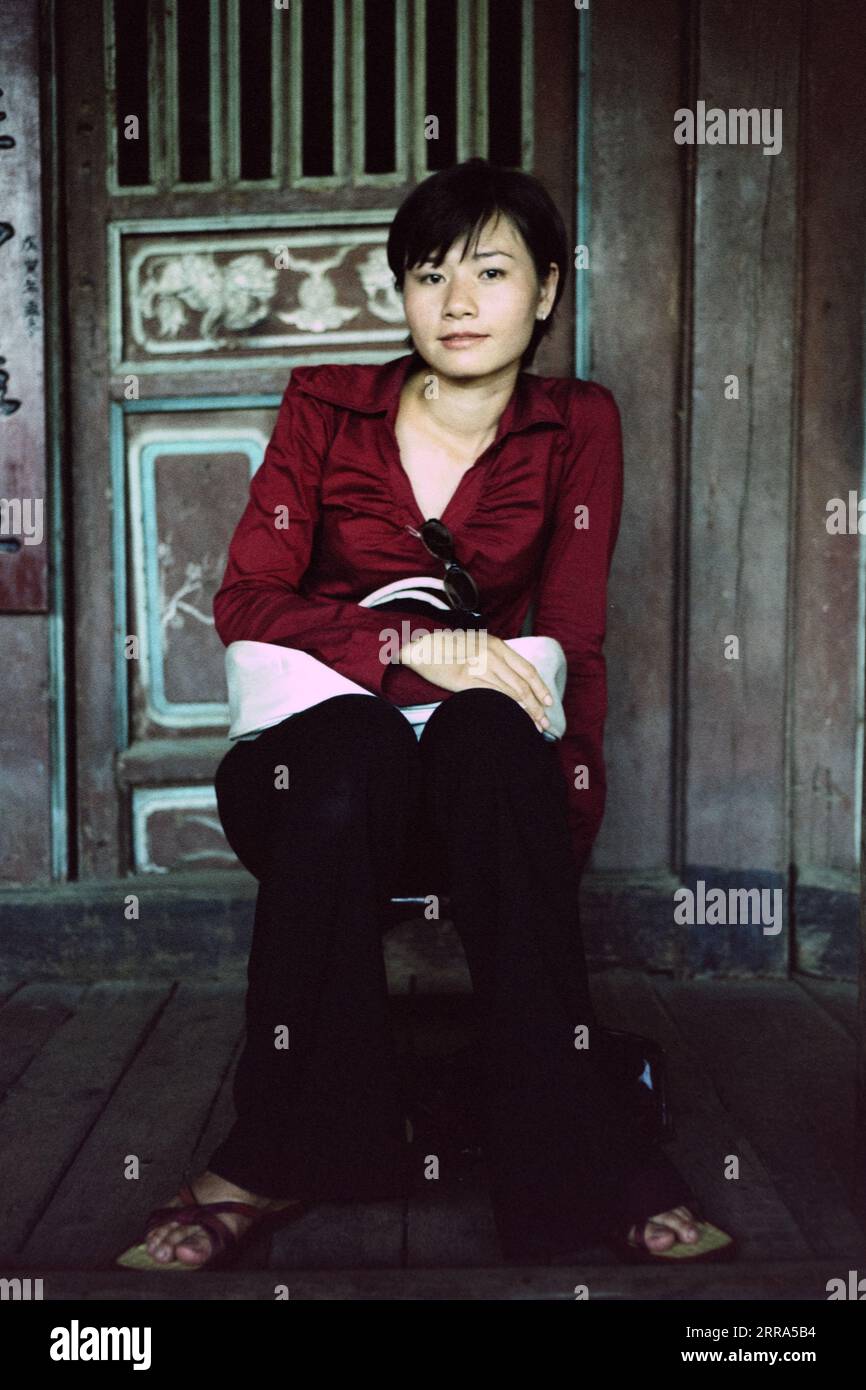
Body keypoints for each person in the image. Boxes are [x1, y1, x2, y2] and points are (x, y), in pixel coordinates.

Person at [127, 158, 733, 1270]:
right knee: (351, 745)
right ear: (399, 294)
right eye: (427, 274)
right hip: (319, 787)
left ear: (547, 290)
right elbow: (245, 599)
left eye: (492, 272)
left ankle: (579, 1159)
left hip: (481, 788)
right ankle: (273, 1153)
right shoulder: (323, 405)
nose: (455, 303)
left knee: (495, 736)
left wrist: (564, 817)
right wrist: (415, 647)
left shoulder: (577, 425)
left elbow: (574, 643)